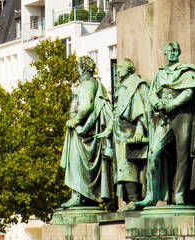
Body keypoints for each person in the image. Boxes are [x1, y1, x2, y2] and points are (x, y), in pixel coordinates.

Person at [136, 41, 195, 208]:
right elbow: (152, 93)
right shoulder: (160, 74)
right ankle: (151, 195)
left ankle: (179, 194)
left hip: (182, 115)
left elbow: (189, 92)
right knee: (153, 153)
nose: (172, 53)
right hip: (163, 117)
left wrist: (172, 105)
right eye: (169, 50)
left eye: (175, 50)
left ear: (179, 52)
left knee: (182, 156)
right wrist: (157, 103)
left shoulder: (187, 71)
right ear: (164, 52)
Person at [59, 55, 114, 207]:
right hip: (91, 130)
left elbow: (86, 106)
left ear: (83, 68)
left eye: (78, 67)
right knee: (83, 165)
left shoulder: (86, 85)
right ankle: (87, 197)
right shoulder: (97, 84)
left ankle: (76, 196)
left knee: (76, 161)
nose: (77, 70)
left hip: (82, 132)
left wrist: (75, 121)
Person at [111, 58, 151, 207]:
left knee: (129, 166)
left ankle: (134, 199)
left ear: (129, 68)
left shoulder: (136, 84)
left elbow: (142, 108)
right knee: (121, 169)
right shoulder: (121, 86)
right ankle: (128, 200)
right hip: (119, 133)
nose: (118, 70)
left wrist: (140, 129)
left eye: (121, 67)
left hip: (130, 131)